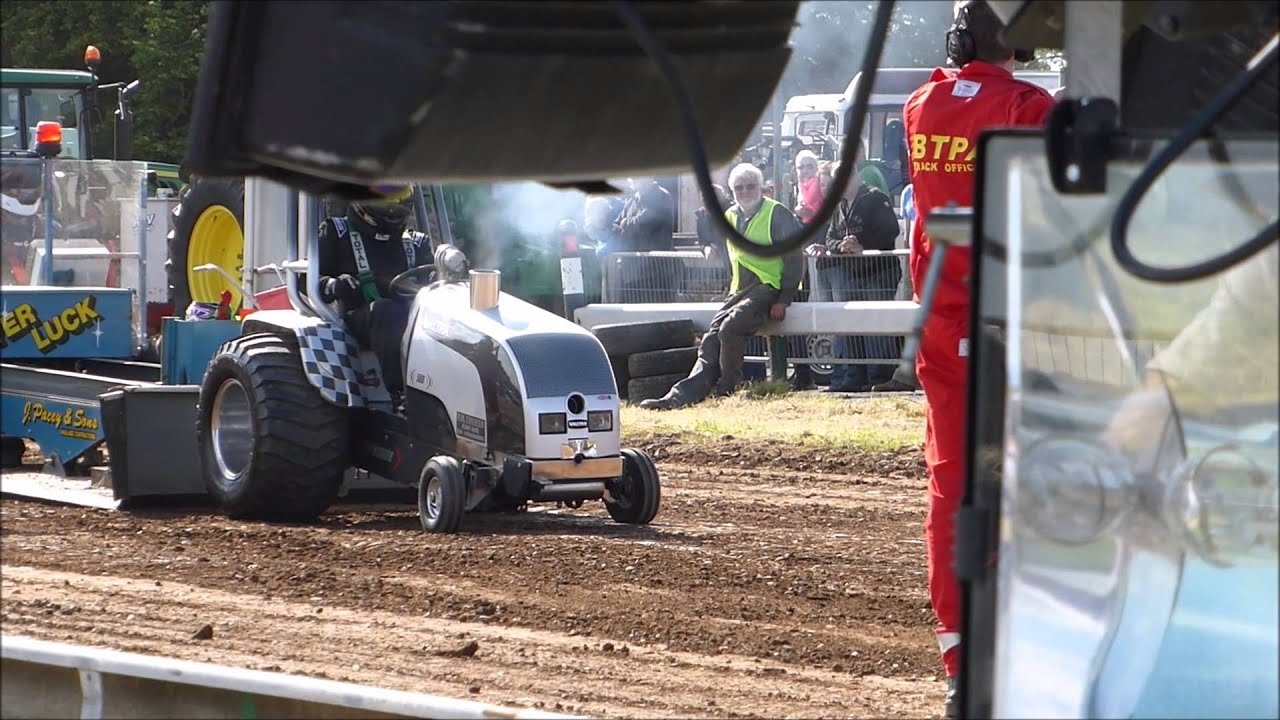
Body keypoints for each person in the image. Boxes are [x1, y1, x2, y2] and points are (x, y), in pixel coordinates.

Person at [903, 2, 1055, 715]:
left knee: (951, 482)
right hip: (1011, 320)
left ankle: (962, 656)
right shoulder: (1029, 107)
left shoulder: (919, 106)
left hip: (942, 321)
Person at [640, 163, 804, 410]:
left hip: (770, 287)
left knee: (729, 329)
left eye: (751, 186)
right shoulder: (730, 216)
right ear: (733, 191)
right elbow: (714, 241)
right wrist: (706, 246)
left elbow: (794, 256)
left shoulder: (777, 213)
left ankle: (728, 390)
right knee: (711, 337)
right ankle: (680, 396)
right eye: (740, 187)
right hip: (740, 290)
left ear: (761, 188)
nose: (745, 191)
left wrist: (784, 298)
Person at [317, 186, 427, 397]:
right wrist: (333, 285)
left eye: (398, 198)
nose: (392, 206)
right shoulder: (336, 232)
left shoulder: (417, 243)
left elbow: (438, 283)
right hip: (356, 319)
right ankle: (401, 396)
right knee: (387, 311)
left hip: (415, 318)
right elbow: (309, 281)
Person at [820, 159, 901, 392]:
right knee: (853, 326)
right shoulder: (840, 205)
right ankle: (854, 377)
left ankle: (879, 376)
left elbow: (891, 230)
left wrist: (862, 246)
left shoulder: (875, 198)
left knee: (876, 324)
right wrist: (841, 246)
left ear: (855, 175)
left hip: (879, 271)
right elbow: (830, 238)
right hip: (852, 274)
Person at [871, 183, 922, 393]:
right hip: (914, 262)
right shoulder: (908, 192)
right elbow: (909, 231)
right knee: (909, 320)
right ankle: (907, 373)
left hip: (932, 261)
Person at [613, 177, 675, 252]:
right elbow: (615, 226)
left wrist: (625, 223)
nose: (633, 179)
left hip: (656, 261)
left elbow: (642, 224)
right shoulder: (632, 200)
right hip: (633, 260)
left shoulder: (661, 195)